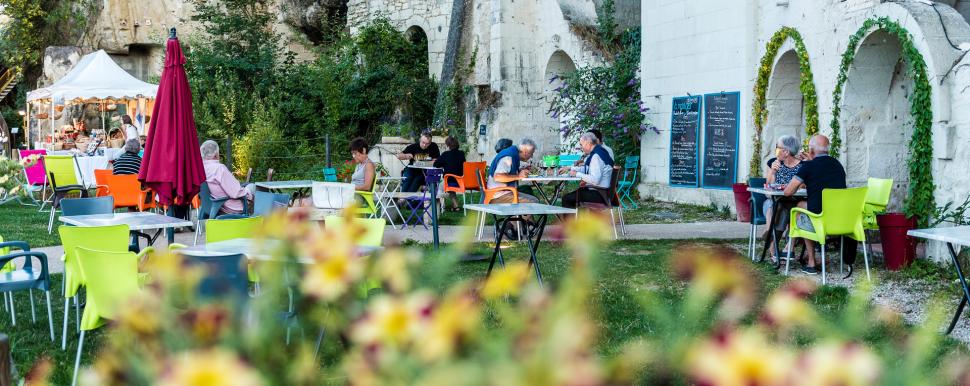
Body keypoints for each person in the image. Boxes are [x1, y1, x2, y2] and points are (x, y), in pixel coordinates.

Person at [783, 134, 854, 275]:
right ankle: (797, 251)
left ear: (811, 150)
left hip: (819, 222)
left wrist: (806, 167)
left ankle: (809, 260)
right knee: (804, 206)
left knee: (801, 210)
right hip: (840, 221)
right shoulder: (838, 165)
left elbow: (787, 192)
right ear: (827, 150)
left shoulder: (808, 166)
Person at [763, 135, 803, 257]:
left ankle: (772, 241)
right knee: (775, 205)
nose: (775, 150)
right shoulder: (773, 163)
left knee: (784, 210)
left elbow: (803, 186)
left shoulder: (803, 166)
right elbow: (768, 187)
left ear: (786, 152)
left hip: (793, 202)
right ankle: (770, 232)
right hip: (774, 201)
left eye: (777, 147)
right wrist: (772, 172)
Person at [201, 140, 254, 215]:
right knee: (254, 187)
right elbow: (236, 193)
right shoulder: (219, 169)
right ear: (216, 155)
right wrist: (249, 194)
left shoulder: (201, 169)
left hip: (215, 206)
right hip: (232, 207)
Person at [562, 132, 615, 208]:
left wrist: (577, 174)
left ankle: (571, 217)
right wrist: (571, 168)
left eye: (581, 144)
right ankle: (577, 215)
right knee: (573, 195)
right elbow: (587, 169)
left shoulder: (596, 156)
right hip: (604, 192)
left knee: (567, 198)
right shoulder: (600, 151)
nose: (581, 147)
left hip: (599, 194)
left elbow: (595, 180)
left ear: (588, 143)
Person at [486, 138, 539, 204]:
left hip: (503, 191)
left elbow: (507, 172)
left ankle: (518, 211)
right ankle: (516, 211)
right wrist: (518, 176)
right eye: (531, 154)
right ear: (525, 152)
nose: (531, 156)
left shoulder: (513, 153)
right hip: (497, 195)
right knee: (533, 201)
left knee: (527, 190)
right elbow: (498, 177)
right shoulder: (508, 157)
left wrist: (520, 171)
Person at [434, 136, 467, 211]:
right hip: (460, 181)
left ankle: (440, 206)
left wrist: (442, 162)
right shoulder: (461, 154)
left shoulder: (445, 154)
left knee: (438, 186)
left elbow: (436, 164)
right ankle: (455, 206)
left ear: (447, 146)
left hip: (449, 181)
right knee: (450, 184)